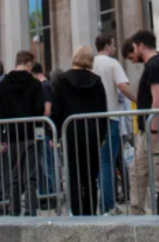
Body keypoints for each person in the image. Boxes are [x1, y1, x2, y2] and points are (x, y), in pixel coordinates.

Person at [122, 30, 159, 215]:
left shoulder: (155, 65)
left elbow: (158, 102)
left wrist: (154, 131)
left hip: (157, 131)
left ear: (141, 46)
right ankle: (138, 215)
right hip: (151, 130)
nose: (133, 52)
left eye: (134, 48)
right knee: (137, 173)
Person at [51, 45, 108, 216]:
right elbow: (103, 109)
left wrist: (54, 134)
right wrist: (102, 134)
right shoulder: (97, 81)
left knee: (73, 176)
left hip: (71, 133)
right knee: (90, 176)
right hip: (92, 134)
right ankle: (91, 211)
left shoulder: (62, 81)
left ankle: (77, 212)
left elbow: (57, 110)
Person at [0, 50, 45, 216]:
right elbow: (39, 109)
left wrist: (0, 138)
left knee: (14, 177)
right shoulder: (35, 84)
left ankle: (15, 212)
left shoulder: (2, 85)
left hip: (11, 135)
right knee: (31, 177)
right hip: (30, 134)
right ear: (29, 64)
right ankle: (30, 211)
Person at [91, 34, 134, 214]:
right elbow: (123, 87)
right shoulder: (112, 64)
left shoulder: (90, 64)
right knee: (108, 162)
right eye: (113, 45)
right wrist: (139, 100)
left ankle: (105, 202)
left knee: (101, 163)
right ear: (108, 46)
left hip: (93, 118)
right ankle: (107, 205)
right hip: (111, 117)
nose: (115, 48)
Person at [30, 62, 55, 205]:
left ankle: (50, 195)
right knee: (45, 164)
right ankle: (47, 194)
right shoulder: (45, 85)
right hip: (44, 130)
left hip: (44, 130)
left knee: (46, 165)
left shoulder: (43, 86)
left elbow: (47, 110)